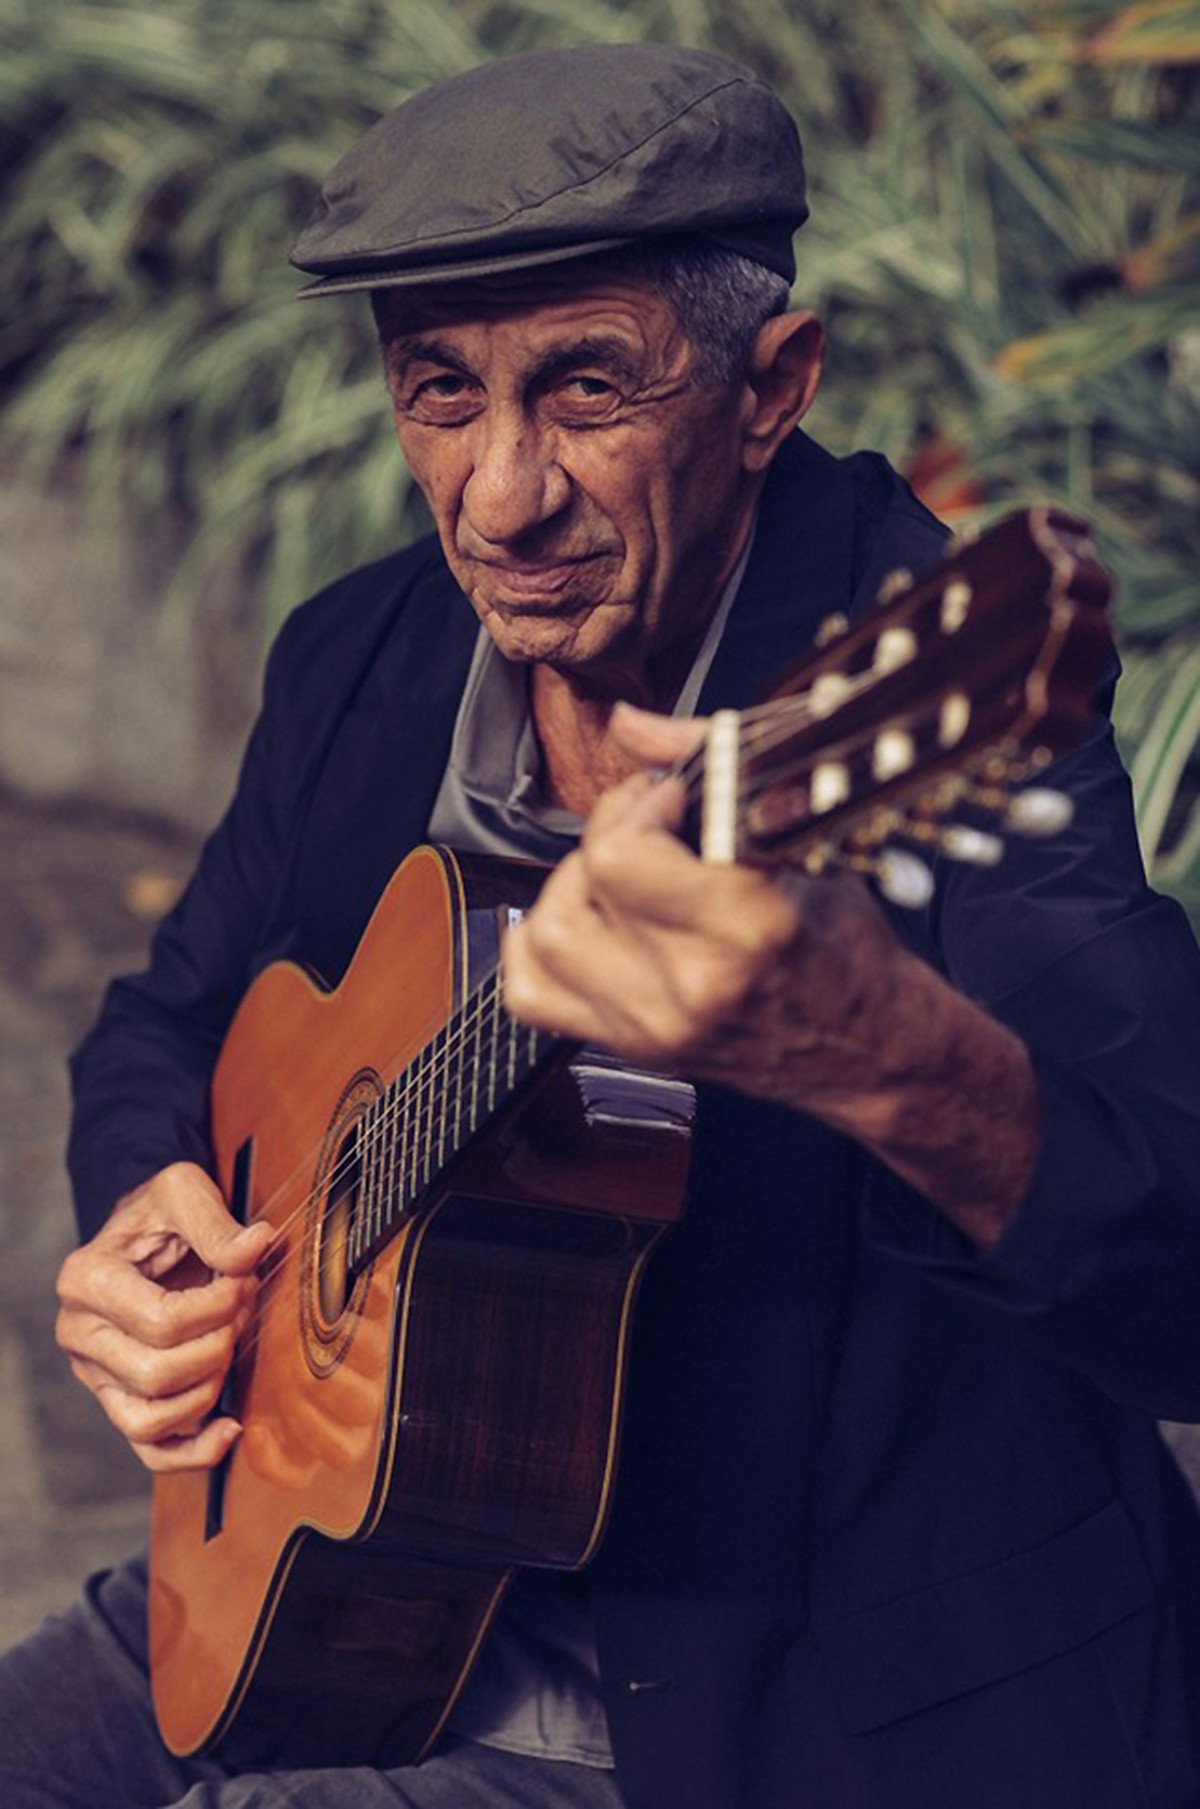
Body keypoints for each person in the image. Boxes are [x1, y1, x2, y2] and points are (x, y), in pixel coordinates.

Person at [2, 41, 1199, 1809]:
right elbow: (166, 1019)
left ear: (771, 384)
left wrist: (897, 1060)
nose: (499, 496)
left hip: (777, 1716)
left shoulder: (909, 688)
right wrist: (147, 1220)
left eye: (584, 390)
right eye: (439, 395)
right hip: (326, 1575)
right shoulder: (363, 655)